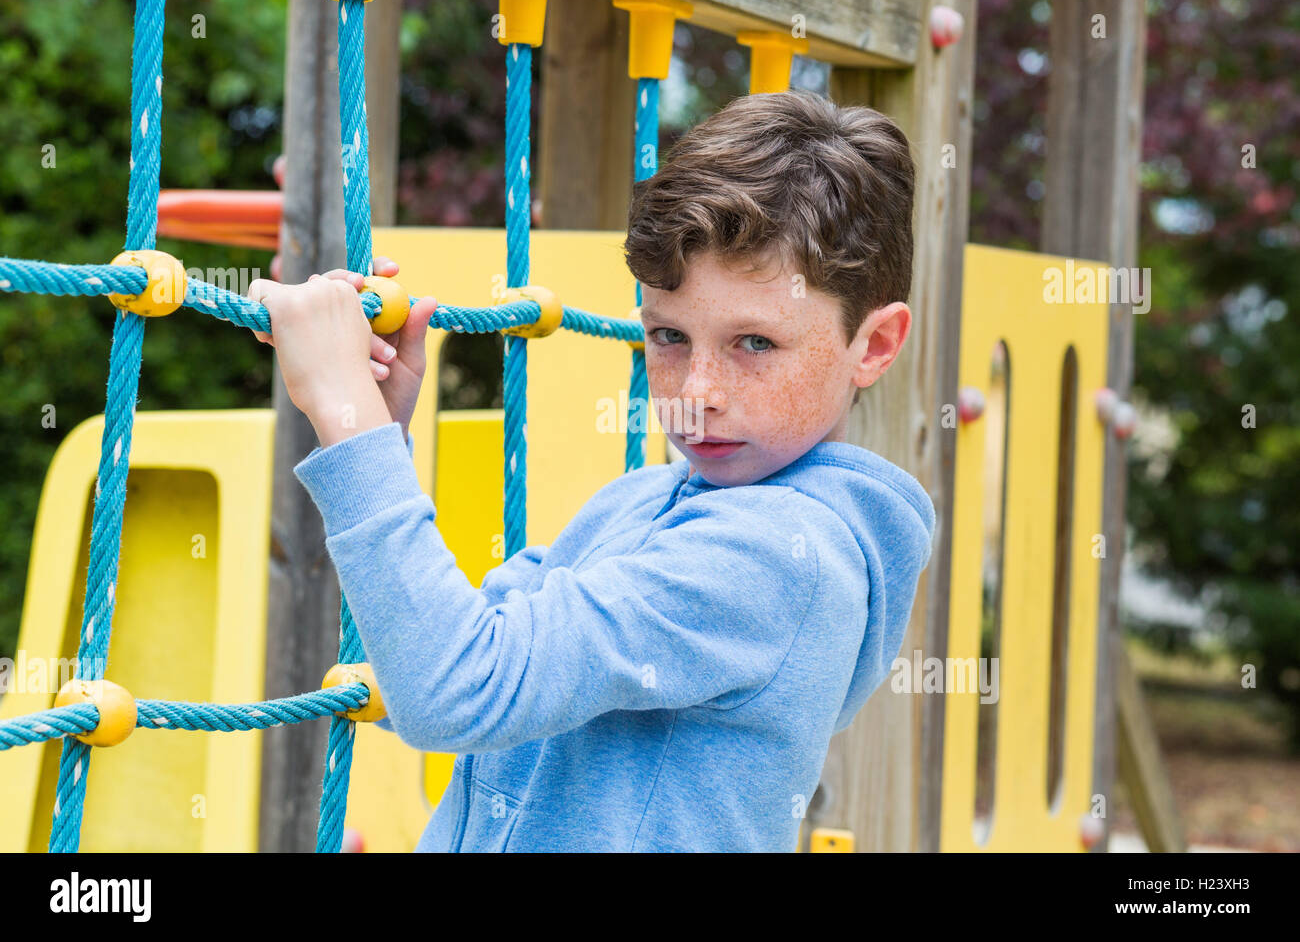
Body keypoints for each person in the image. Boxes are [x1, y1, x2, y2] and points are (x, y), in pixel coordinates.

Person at [247, 89, 936, 852]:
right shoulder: (641, 503)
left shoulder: (778, 557)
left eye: (755, 344)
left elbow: (455, 693)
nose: (697, 394)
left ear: (872, 346)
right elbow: (436, 649)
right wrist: (383, 430)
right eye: (669, 336)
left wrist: (347, 419)